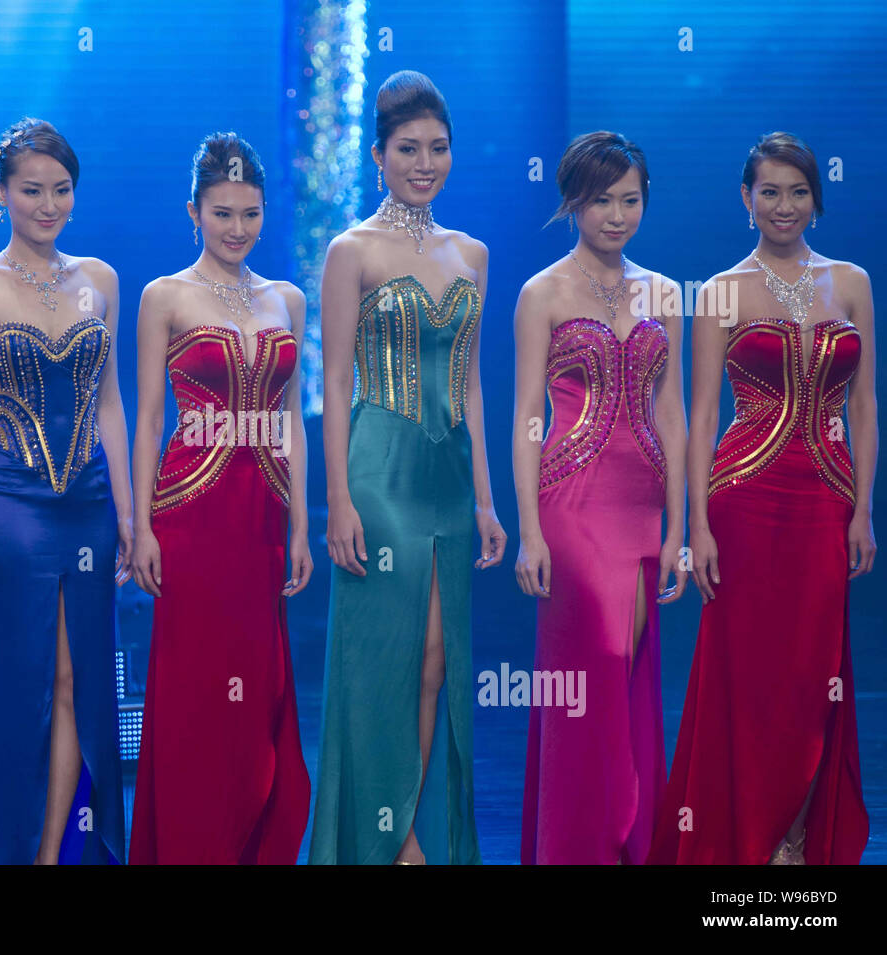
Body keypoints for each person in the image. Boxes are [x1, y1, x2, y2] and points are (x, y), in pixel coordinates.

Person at [649, 132, 875, 865]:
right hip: (744, 502)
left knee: (816, 676)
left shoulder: (852, 282)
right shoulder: (719, 291)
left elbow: (866, 407)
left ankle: (801, 832)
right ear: (746, 201)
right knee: (747, 674)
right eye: (769, 192)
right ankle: (749, 839)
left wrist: (864, 508)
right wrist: (700, 525)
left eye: (798, 191)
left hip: (826, 502)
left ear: (817, 197)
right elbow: (703, 415)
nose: (784, 206)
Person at [310, 71, 506, 866]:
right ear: (378, 155)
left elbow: (471, 380)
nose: (425, 163)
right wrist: (337, 502)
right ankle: (390, 843)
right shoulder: (350, 249)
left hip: (451, 479)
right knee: (378, 660)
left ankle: (401, 826)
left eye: (438, 148)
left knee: (434, 660)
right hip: (378, 471)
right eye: (408, 149)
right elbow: (331, 380)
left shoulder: (473, 253)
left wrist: (489, 501)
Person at [0, 118, 131, 864]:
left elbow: (111, 402)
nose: (48, 205)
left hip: (88, 503)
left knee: (77, 678)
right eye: (32, 191)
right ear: (1, 194)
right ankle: (4, 847)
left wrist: (129, 514)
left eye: (60, 191)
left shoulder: (102, 280)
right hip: (10, 504)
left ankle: (53, 853)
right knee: (20, 684)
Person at [129, 131, 312, 864]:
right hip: (190, 517)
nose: (238, 228)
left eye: (251, 213)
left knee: (258, 684)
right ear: (194, 211)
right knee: (193, 694)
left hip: (262, 516)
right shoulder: (165, 296)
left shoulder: (288, 298)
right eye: (223, 212)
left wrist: (301, 524)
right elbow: (146, 417)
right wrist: (138, 525)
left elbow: (290, 418)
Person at [513, 132, 688, 865]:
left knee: (630, 675)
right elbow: (528, 416)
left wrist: (681, 525)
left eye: (630, 200)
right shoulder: (543, 292)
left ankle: (630, 846)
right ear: (573, 202)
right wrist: (527, 530)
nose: (616, 215)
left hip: (642, 505)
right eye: (601, 200)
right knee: (591, 672)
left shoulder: (665, 292)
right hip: (571, 505)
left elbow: (672, 415)